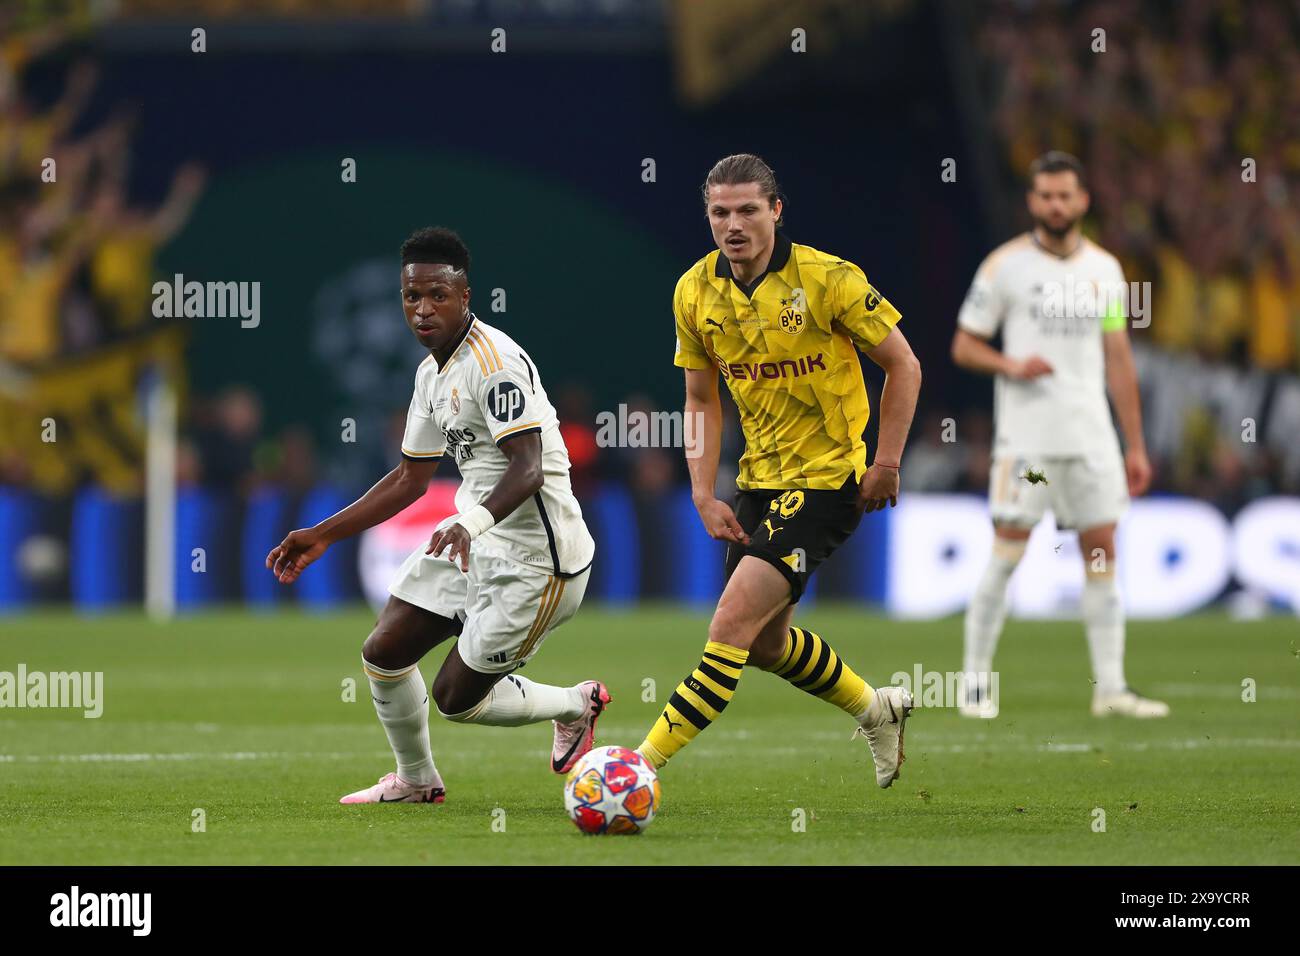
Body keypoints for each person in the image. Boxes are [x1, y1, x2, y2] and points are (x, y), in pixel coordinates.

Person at [267, 227, 606, 804]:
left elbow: (528, 469)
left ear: (465, 295)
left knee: (458, 700)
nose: (422, 309)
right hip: (478, 543)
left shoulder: (493, 364)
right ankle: (416, 780)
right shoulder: (430, 373)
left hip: (539, 563)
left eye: (437, 296)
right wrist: (323, 534)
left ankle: (578, 704)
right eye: (411, 297)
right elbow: (409, 478)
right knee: (385, 650)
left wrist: (469, 522)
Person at [635, 154, 924, 790]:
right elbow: (701, 399)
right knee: (765, 646)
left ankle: (636, 768)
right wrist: (703, 492)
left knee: (728, 627)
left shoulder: (829, 279)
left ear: (776, 212)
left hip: (826, 481)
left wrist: (887, 461)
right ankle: (876, 709)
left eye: (747, 210)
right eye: (719, 212)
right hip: (757, 483)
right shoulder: (694, 291)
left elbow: (903, 365)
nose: (733, 224)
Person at [951, 150, 1168, 719]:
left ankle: (1111, 689)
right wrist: (1011, 365)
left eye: (1064, 195)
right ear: (1032, 201)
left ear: (1082, 200)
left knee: (1101, 554)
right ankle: (975, 685)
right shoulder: (1004, 267)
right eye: (1045, 195)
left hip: (1092, 438)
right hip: (1027, 444)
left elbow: (1118, 359)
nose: (1055, 204)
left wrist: (1135, 444)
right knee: (1006, 554)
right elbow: (964, 344)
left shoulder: (1105, 270)